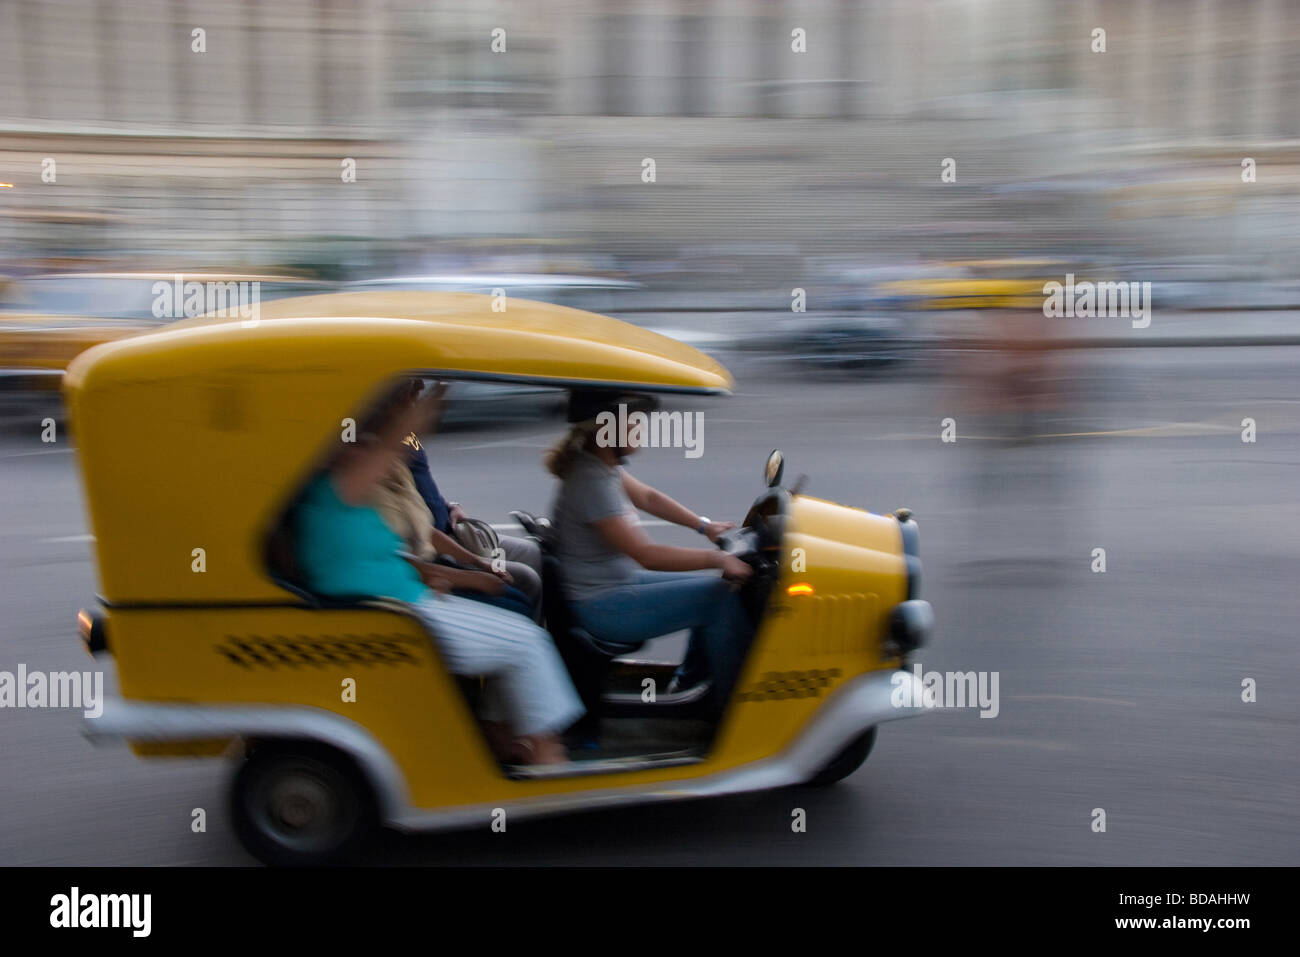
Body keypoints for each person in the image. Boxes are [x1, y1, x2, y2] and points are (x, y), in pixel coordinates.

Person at [296, 379, 583, 765]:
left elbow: (405, 542)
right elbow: (393, 442)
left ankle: (507, 734)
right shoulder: (336, 492)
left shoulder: (350, 499)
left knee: (521, 615)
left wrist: (465, 573)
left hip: (412, 599)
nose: (364, 449)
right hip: (396, 617)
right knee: (529, 642)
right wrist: (429, 395)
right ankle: (548, 757)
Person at [546, 391, 754, 714]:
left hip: (615, 583)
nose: (639, 427)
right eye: (632, 421)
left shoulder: (601, 465)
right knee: (720, 598)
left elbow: (650, 498)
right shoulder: (591, 483)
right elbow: (647, 555)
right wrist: (717, 558)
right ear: (606, 431)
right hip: (602, 605)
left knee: (714, 590)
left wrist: (704, 526)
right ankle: (736, 711)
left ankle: (689, 684)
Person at [370, 457, 535, 621]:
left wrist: (479, 562)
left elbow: (426, 532)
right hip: (411, 586)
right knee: (516, 607)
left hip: (435, 565)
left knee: (516, 595)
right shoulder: (363, 495)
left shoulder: (398, 470)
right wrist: (471, 579)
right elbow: (396, 562)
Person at [403, 432, 544, 614]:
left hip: (453, 528)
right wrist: (478, 568)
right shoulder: (383, 461)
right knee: (525, 579)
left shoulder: (406, 437)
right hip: (442, 547)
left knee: (530, 551)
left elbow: (424, 486)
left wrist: (449, 506)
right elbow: (420, 536)